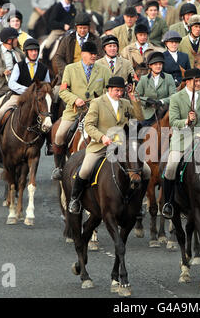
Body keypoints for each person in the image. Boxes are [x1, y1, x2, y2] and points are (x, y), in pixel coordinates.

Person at [67, 76, 151, 214]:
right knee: (85, 170)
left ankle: (138, 202)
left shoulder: (125, 103)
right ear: (109, 89)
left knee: (146, 171)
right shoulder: (97, 103)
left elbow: (140, 118)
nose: (119, 93)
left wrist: (134, 99)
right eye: (117, 91)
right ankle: (75, 199)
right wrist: (102, 137)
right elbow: (88, 125)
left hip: (122, 147)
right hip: (101, 146)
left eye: (121, 91)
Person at [51, 41, 110, 180]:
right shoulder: (70, 69)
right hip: (74, 111)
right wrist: (75, 100)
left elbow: (109, 92)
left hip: (97, 112)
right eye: (91, 54)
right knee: (59, 135)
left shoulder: (104, 70)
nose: (94, 56)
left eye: (95, 54)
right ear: (83, 54)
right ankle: (59, 167)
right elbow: (63, 91)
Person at [162, 68, 200, 218]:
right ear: (188, 81)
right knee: (171, 166)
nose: (199, 83)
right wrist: (186, 120)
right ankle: (168, 202)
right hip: (181, 140)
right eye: (196, 81)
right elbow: (173, 121)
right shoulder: (176, 98)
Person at [0, 39, 50, 150]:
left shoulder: (44, 68)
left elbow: (47, 84)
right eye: (31, 51)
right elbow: (12, 83)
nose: (34, 53)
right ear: (26, 52)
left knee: (49, 116)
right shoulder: (19, 66)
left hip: (38, 99)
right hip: (18, 97)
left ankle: (50, 143)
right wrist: (27, 91)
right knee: (0, 112)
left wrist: (42, 92)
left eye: (36, 51)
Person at [54, 12, 102, 80]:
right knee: (57, 90)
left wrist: (90, 69)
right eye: (80, 28)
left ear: (89, 27)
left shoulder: (96, 40)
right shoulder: (68, 39)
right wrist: (67, 71)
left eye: (85, 28)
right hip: (70, 76)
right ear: (76, 27)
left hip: (91, 75)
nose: (82, 31)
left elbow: (100, 56)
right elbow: (58, 57)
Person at [136, 51, 176, 126]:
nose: (158, 66)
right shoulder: (144, 79)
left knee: (165, 135)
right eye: (155, 64)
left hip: (164, 111)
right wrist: (146, 100)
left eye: (160, 64)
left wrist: (162, 101)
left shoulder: (169, 77)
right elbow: (136, 95)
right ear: (150, 66)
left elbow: (174, 95)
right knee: (140, 132)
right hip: (148, 113)